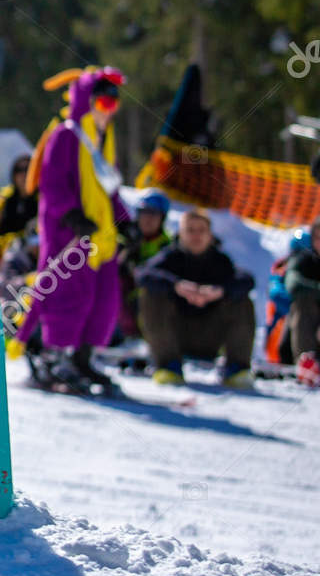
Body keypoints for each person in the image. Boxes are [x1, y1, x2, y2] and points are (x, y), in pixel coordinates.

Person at [18, 66, 130, 392]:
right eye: (104, 102)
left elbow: (111, 188)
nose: (109, 110)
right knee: (69, 296)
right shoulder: (66, 135)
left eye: (114, 104)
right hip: (70, 234)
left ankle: (83, 357)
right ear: (87, 100)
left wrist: (127, 222)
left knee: (105, 297)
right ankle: (54, 357)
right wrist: (71, 216)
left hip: (101, 235)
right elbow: (51, 184)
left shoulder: (103, 142)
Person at [135, 208, 257, 388]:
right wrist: (177, 286)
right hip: (173, 336)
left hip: (211, 335)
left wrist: (219, 291)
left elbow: (247, 279)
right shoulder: (170, 256)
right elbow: (142, 274)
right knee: (150, 294)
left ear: (210, 235)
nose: (196, 236)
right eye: (190, 230)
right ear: (181, 234)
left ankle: (237, 368)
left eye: (201, 230)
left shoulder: (221, 261)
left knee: (242, 298)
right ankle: (168, 366)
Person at [118, 190, 174, 341]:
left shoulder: (169, 246)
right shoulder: (125, 237)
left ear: (162, 218)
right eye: (144, 213)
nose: (148, 219)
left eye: (153, 214)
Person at [283, 217, 320, 372]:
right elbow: (292, 283)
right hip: (306, 327)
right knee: (303, 301)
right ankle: (307, 363)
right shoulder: (305, 260)